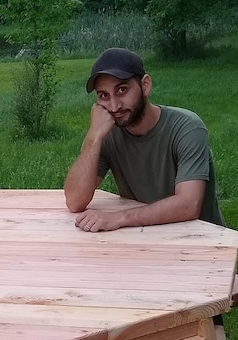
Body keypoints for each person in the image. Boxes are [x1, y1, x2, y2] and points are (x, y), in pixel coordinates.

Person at [64, 47, 224, 232]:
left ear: (145, 85)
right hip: (143, 236)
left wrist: (118, 218)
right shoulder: (108, 133)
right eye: (104, 96)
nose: (114, 106)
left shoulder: (187, 128)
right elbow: (75, 201)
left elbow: (188, 204)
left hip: (201, 240)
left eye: (122, 90)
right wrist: (93, 136)